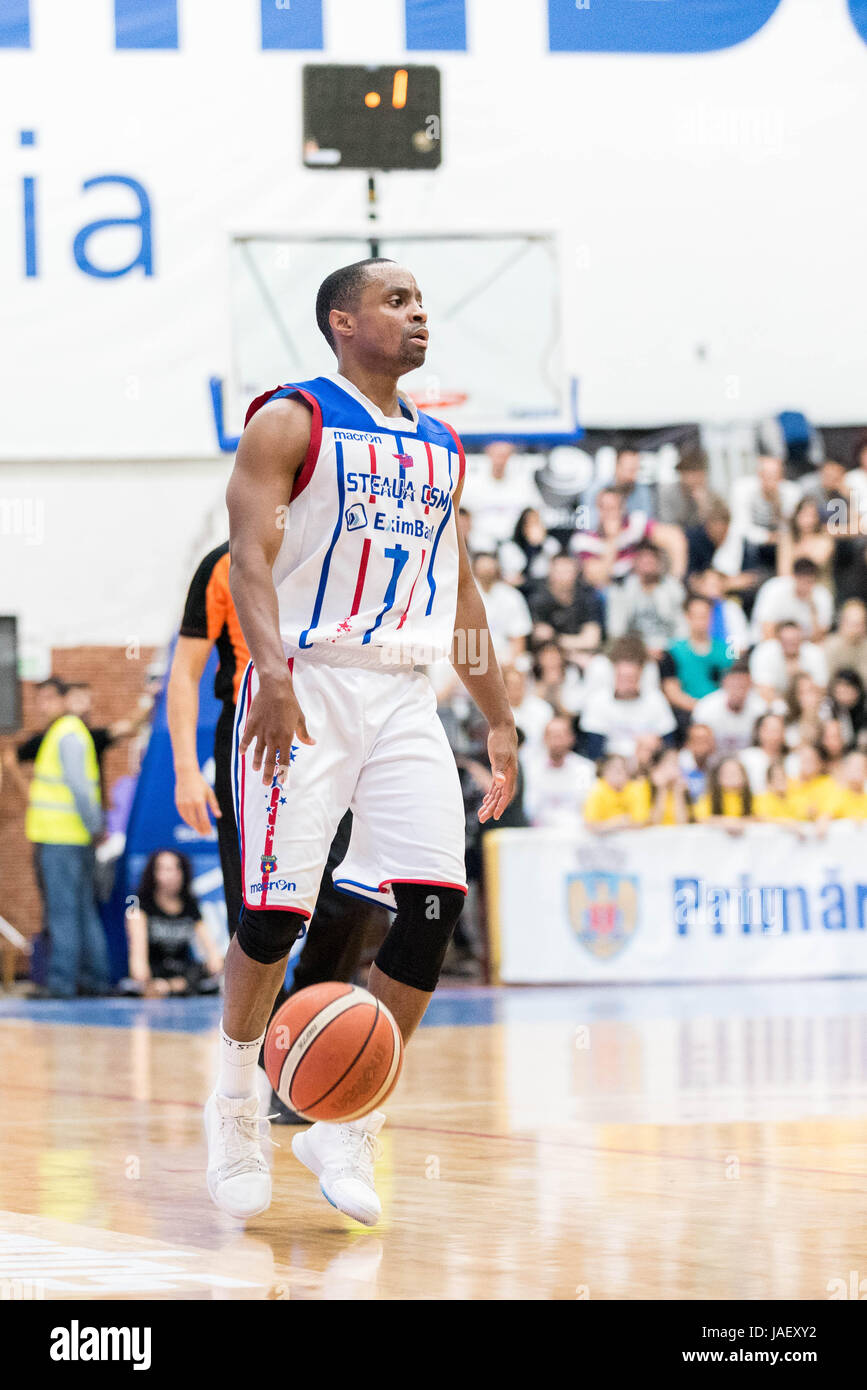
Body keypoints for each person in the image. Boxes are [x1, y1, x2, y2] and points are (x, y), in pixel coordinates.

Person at [210, 257, 519, 1225]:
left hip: (401, 691)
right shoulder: (290, 418)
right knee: (273, 920)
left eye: (424, 299)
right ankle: (232, 1110)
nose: (420, 313)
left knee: (433, 904)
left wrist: (500, 714)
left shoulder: (440, 445)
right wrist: (269, 674)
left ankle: (349, 1126)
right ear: (343, 322)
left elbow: (460, 591)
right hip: (308, 681)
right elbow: (246, 555)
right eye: (396, 300)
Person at [167, 541, 378, 1123]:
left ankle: (310, 1034)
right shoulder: (221, 565)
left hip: (331, 737)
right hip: (249, 743)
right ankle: (271, 1063)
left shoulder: (337, 550)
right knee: (258, 919)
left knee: (348, 896)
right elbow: (185, 672)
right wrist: (187, 768)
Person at [22, 678, 110, 998]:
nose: (41, 707)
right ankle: (94, 980)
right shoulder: (69, 733)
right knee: (82, 910)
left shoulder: (67, 734)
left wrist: (96, 827)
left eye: (47, 699)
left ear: (63, 699)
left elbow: (81, 789)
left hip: (62, 839)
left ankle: (61, 983)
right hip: (72, 837)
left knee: (63, 912)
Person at [123, 850, 223, 995]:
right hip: (153, 977)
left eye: (177, 868)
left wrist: (216, 965)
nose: (172, 875)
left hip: (182, 976)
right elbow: (138, 958)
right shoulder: (140, 907)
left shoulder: (190, 906)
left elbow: (212, 951)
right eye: (165, 869)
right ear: (153, 874)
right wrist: (147, 983)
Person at [580, 653, 676, 759]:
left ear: (639, 678)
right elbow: (594, 744)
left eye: (630, 678)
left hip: (648, 759)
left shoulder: (655, 699)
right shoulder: (598, 700)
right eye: (622, 677)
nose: (625, 683)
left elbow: (668, 738)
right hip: (611, 761)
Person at [659, 594, 732, 730]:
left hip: (721, 714)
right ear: (687, 617)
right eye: (696, 616)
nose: (701, 621)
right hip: (687, 715)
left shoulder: (727, 651)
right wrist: (701, 708)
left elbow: (731, 686)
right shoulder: (672, 651)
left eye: (705, 616)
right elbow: (672, 691)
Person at [459, 440, 544, 553]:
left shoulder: (523, 484)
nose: (500, 460)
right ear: (488, 454)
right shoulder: (472, 484)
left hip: (515, 545)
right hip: (479, 546)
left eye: (505, 456)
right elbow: (460, 514)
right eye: (497, 455)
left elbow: (535, 512)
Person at [606, 540, 685, 658]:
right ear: (635, 562)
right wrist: (641, 650)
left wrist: (672, 648)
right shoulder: (622, 590)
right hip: (633, 651)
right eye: (643, 559)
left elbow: (681, 627)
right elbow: (616, 631)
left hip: (668, 650)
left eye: (652, 559)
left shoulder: (674, 589)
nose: (648, 563)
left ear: (659, 563)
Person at [526, 552, 603, 668]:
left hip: (579, 655)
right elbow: (540, 639)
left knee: (599, 665)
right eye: (559, 571)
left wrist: (556, 638)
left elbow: (591, 640)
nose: (563, 577)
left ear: (576, 572)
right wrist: (569, 650)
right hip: (545, 658)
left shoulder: (587, 596)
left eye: (567, 571)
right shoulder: (537, 598)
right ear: (550, 572)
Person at [522, 715, 596, 831]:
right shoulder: (530, 767)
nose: (557, 741)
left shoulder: (585, 768)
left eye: (561, 735)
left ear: (571, 738)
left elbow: (587, 805)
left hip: (576, 831)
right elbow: (529, 807)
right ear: (544, 739)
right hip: (538, 832)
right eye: (552, 736)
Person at [730, 455, 799, 573]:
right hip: (752, 548)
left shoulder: (791, 492)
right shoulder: (742, 489)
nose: (770, 480)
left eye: (775, 476)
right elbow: (741, 526)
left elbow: (791, 527)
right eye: (766, 475)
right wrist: (768, 537)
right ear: (759, 475)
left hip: (781, 545)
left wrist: (776, 503)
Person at [690, 661, 769, 756]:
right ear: (724, 683)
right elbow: (697, 744)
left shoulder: (760, 709)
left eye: (742, 686)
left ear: (750, 685)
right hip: (712, 760)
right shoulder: (706, 708)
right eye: (734, 685)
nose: (738, 691)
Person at [750, 557, 833, 644]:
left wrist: (813, 611)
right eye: (802, 581)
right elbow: (767, 631)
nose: (805, 586)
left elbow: (819, 639)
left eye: (810, 582)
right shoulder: (774, 589)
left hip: (802, 649)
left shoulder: (822, 596)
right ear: (794, 577)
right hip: (768, 644)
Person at [471, 552, 533, 666]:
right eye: (483, 567)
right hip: (469, 652)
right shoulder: (464, 595)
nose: (486, 570)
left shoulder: (511, 596)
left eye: (489, 567)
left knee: (522, 663)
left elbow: (519, 637)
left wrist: (511, 665)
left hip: (503, 653)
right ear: (474, 570)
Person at [749, 619, 828, 702]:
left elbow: (821, 689)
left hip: (805, 703)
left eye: (794, 640)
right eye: (786, 641)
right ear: (778, 639)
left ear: (802, 639)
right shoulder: (764, 652)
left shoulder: (814, 653)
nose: (791, 645)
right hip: (774, 704)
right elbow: (764, 690)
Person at [582, 447, 656, 528]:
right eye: (630, 470)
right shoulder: (595, 490)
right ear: (617, 467)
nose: (634, 476)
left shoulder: (642, 491)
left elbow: (647, 524)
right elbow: (588, 525)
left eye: (637, 470)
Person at [776, 496, 835, 583]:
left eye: (812, 516)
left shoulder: (825, 539)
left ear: (818, 518)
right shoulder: (787, 539)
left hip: (817, 586)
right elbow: (783, 571)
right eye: (804, 515)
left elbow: (809, 568)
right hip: (790, 585)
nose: (808, 520)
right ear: (796, 516)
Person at [630, 745, 692, 826]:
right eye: (670, 763)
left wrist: (678, 793)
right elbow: (653, 823)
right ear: (655, 768)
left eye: (676, 764)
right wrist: (661, 790)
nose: (675, 769)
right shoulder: (640, 787)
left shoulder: (680, 789)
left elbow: (682, 824)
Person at [583, 754, 643, 832]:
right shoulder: (597, 790)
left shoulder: (634, 788)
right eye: (616, 771)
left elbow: (641, 822)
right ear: (604, 771)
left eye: (624, 770)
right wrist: (615, 823)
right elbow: (590, 826)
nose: (620, 775)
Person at [693, 756, 753, 832]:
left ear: (744, 776)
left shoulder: (753, 799)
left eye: (736, 772)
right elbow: (700, 818)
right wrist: (728, 823)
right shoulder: (708, 799)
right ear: (718, 777)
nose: (731, 775)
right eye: (727, 772)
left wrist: (737, 823)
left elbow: (762, 818)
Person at [740, 711, 788, 795]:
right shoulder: (747, 758)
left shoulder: (792, 760)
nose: (774, 735)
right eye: (770, 730)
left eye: (778, 730)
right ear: (759, 732)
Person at [823, 600, 867, 687]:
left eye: (859, 624)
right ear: (842, 623)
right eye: (852, 624)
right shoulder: (830, 646)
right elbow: (828, 681)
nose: (855, 629)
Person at [677, 722, 716, 799]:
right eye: (697, 740)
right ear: (688, 743)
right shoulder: (678, 764)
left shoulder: (717, 764)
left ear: (712, 743)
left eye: (705, 740)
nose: (701, 744)